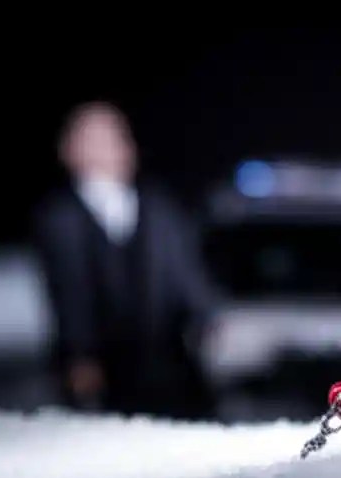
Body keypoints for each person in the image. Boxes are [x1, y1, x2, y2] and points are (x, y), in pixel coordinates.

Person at [32, 101, 221, 420]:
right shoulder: (60, 218)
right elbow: (67, 292)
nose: (106, 149)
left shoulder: (158, 207)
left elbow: (184, 271)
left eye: (114, 138)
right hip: (105, 367)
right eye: (92, 139)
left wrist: (206, 315)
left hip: (169, 360)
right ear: (68, 150)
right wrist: (79, 355)